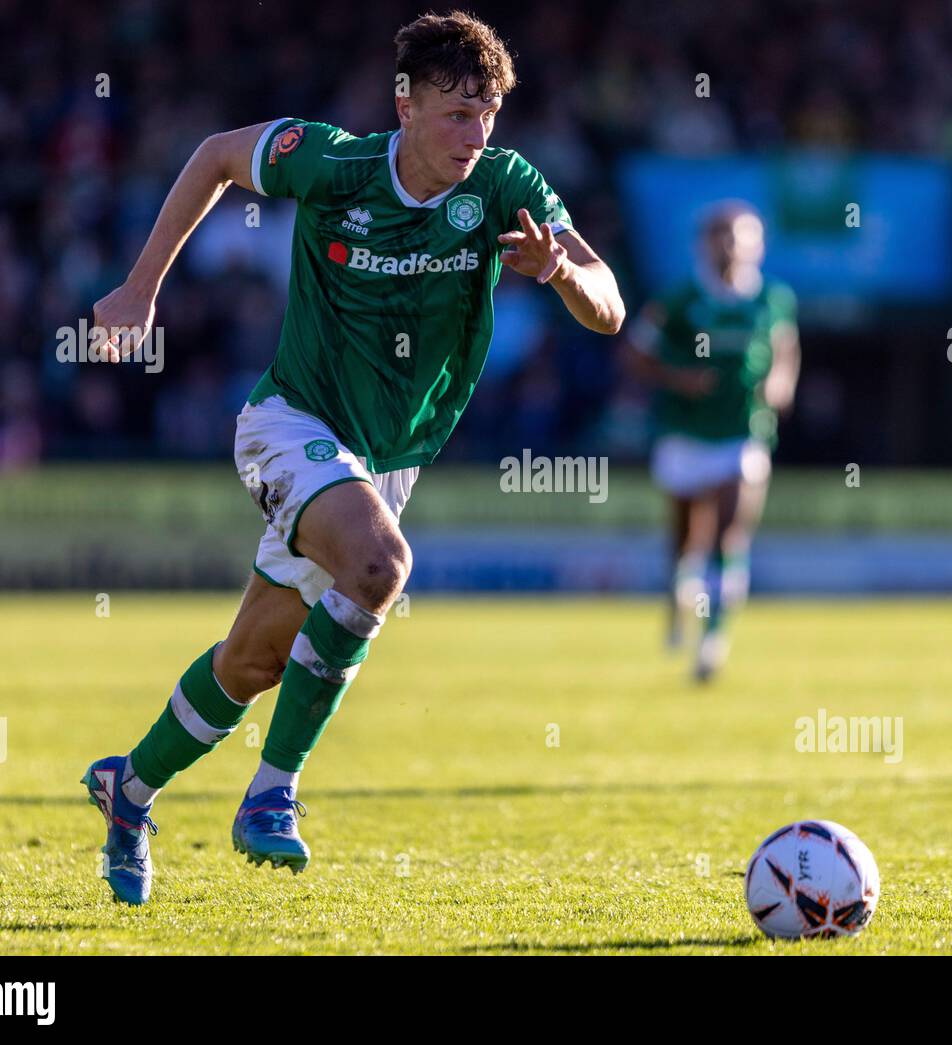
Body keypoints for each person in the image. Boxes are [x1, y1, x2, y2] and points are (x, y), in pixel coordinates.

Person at [82, 11, 624, 905]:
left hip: (379, 461)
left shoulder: (502, 187)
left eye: (487, 112)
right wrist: (141, 289)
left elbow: (609, 306)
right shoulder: (332, 164)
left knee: (252, 663)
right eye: (456, 112)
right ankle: (272, 793)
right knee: (380, 566)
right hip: (289, 421)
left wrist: (560, 271)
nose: (475, 133)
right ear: (403, 105)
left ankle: (128, 791)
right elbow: (218, 153)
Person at [627, 201, 798, 682]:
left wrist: (781, 383)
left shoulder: (772, 298)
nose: (732, 244)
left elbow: (785, 346)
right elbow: (636, 356)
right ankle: (680, 594)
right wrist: (678, 378)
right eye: (721, 234)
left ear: (758, 244)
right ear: (704, 243)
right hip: (685, 432)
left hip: (743, 431)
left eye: (741, 235)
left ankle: (713, 640)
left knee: (729, 532)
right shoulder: (680, 299)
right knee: (686, 540)